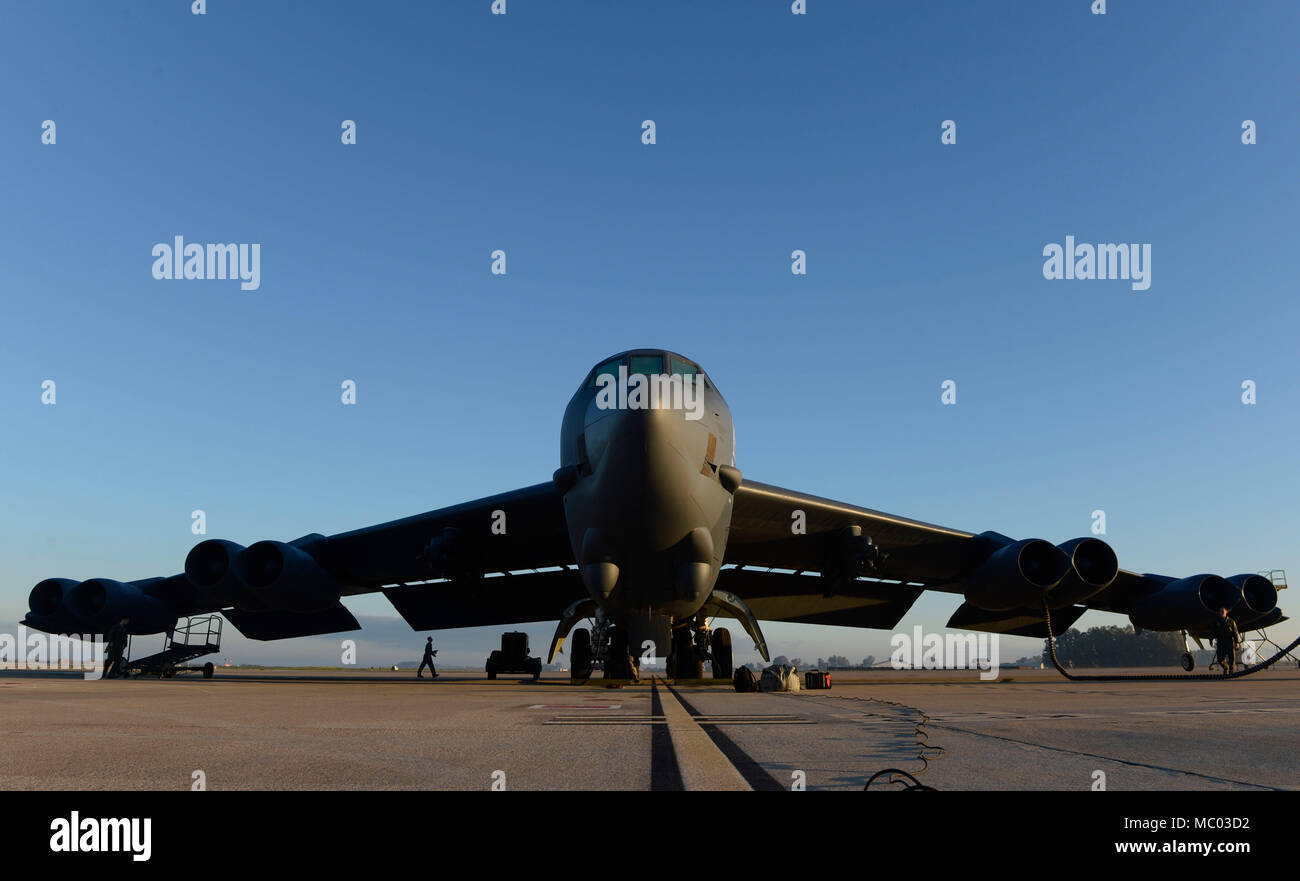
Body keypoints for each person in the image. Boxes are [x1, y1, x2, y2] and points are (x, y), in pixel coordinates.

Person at [1210, 607, 1240, 675]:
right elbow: (1212, 631)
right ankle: (1225, 667)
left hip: (1229, 641)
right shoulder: (1216, 621)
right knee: (1220, 658)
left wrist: (1237, 642)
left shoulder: (1231, 621)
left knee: (1232, 657)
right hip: (1221, 641)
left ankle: (1231, 670)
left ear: (1226, 612)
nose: (1222, 612)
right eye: (1220, 611)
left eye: (1223, 611)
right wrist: (1211, 639)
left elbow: (1235, 632)